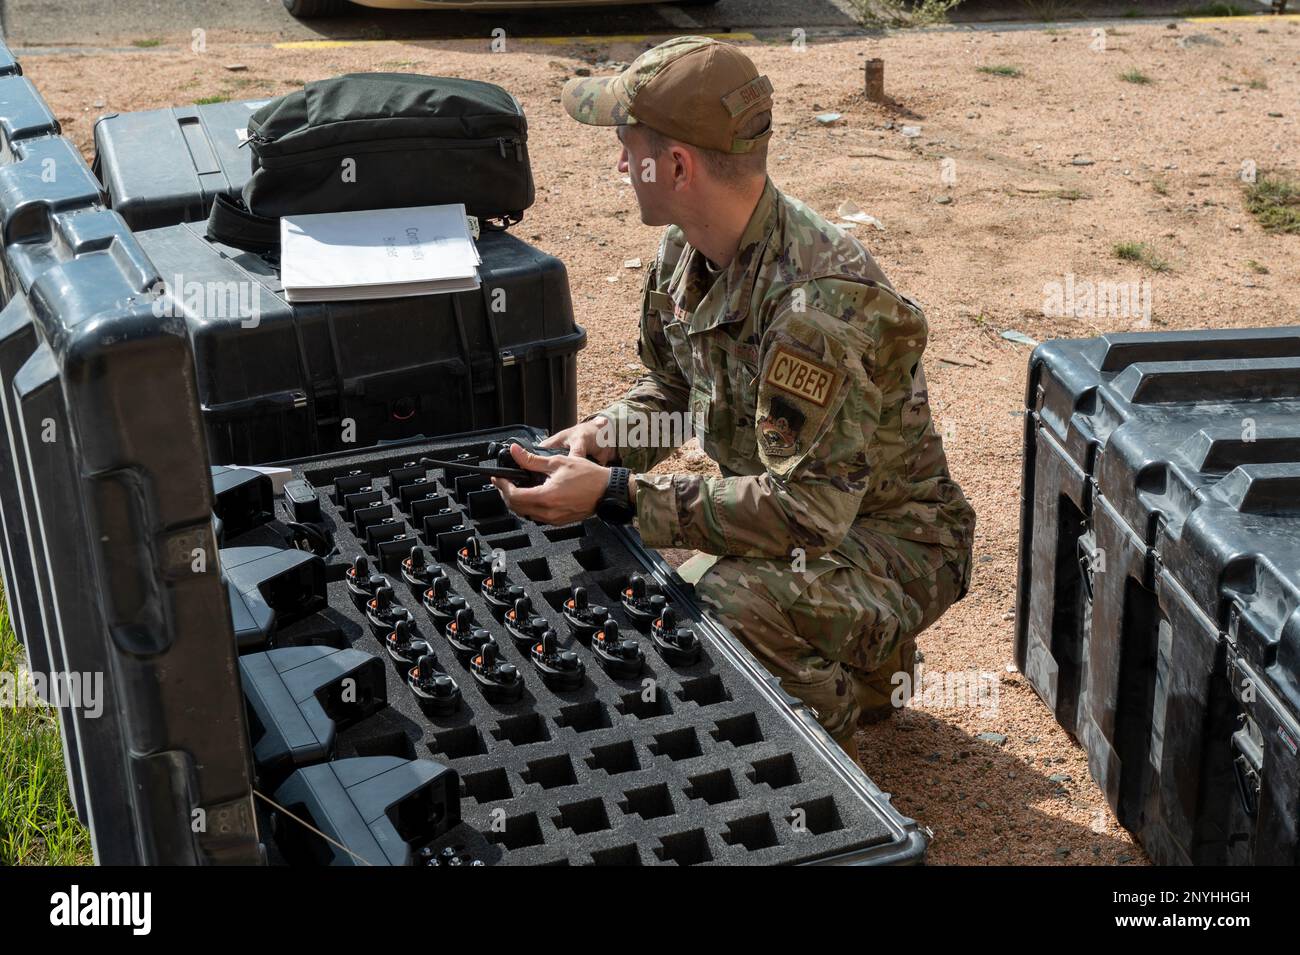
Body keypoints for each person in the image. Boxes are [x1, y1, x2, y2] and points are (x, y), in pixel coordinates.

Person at [492, 35, 976, 762]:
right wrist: (605, 437)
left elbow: (809, 514)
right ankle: (867, 659)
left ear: (678, 165)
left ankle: (837, 716)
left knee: (710, 599)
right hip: (809, 513)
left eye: (629, 148)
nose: (620, 164)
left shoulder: (816, 308)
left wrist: (623, 494)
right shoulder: (686, 248)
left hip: (894, 542)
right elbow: (675, 387)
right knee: (662, 576)